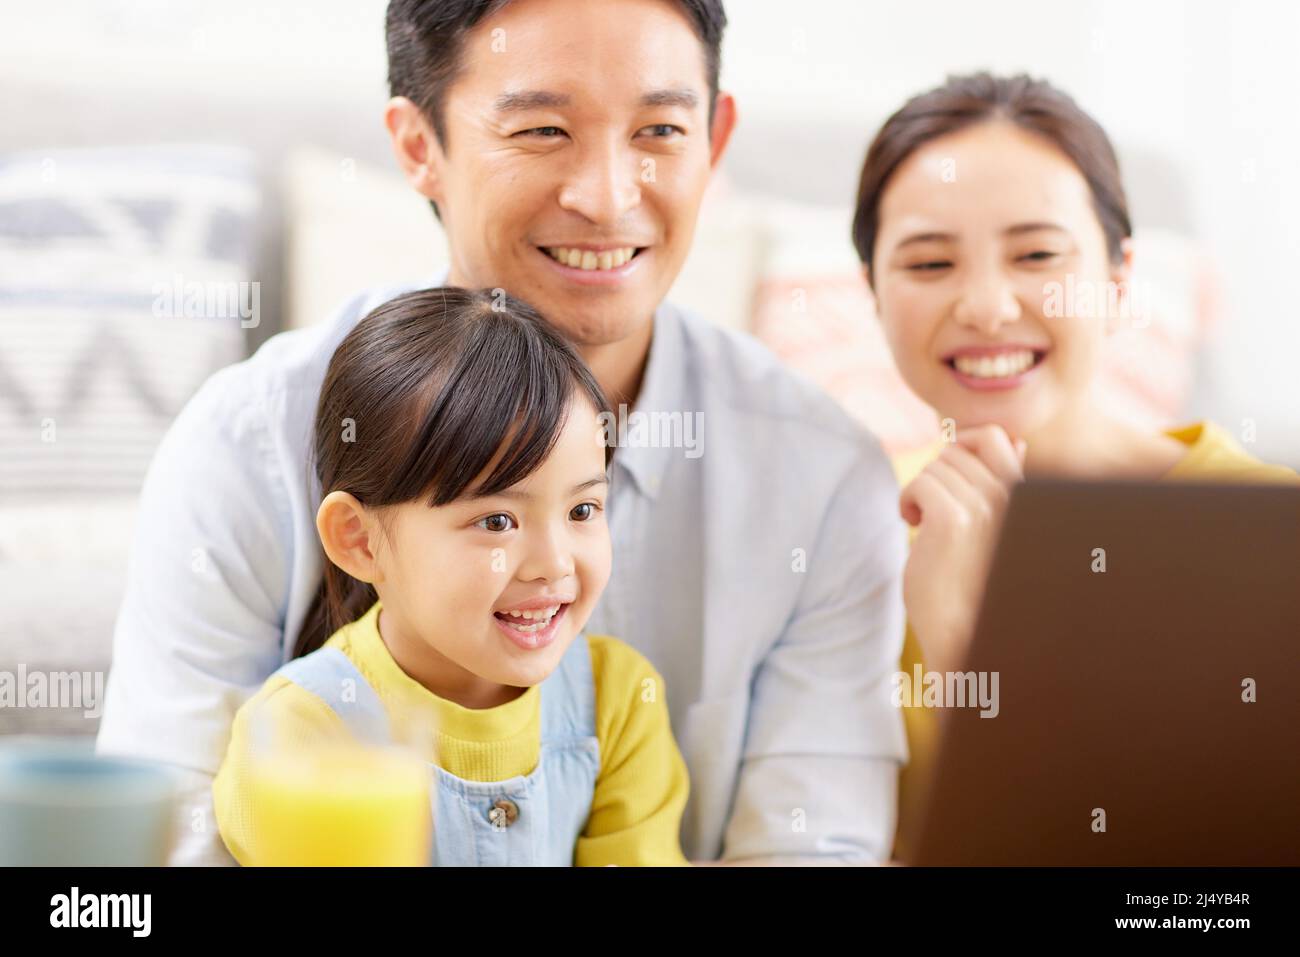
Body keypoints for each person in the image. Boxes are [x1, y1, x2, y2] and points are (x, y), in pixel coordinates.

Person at [98, 0, 908, 865]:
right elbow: (157, 852)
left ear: (714, 141)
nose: (605, 197)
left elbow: (813, 849)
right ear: (419, 146)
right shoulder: (247, 443)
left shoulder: (823, 479)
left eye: (662, 128)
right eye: (544, 129)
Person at [849, 71, 1300, 852]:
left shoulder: (1263, 529)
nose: (986, 306)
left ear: (1119, 281)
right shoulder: (843, 525)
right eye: (928, 264)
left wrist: (966, 641)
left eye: (1036, 254)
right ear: (873, 294)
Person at [213, 287, 689, 866]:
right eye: (497, 520)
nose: (555, 564)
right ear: (359, 541)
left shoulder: (619, 702)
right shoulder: (300, 733)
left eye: (582, 511)